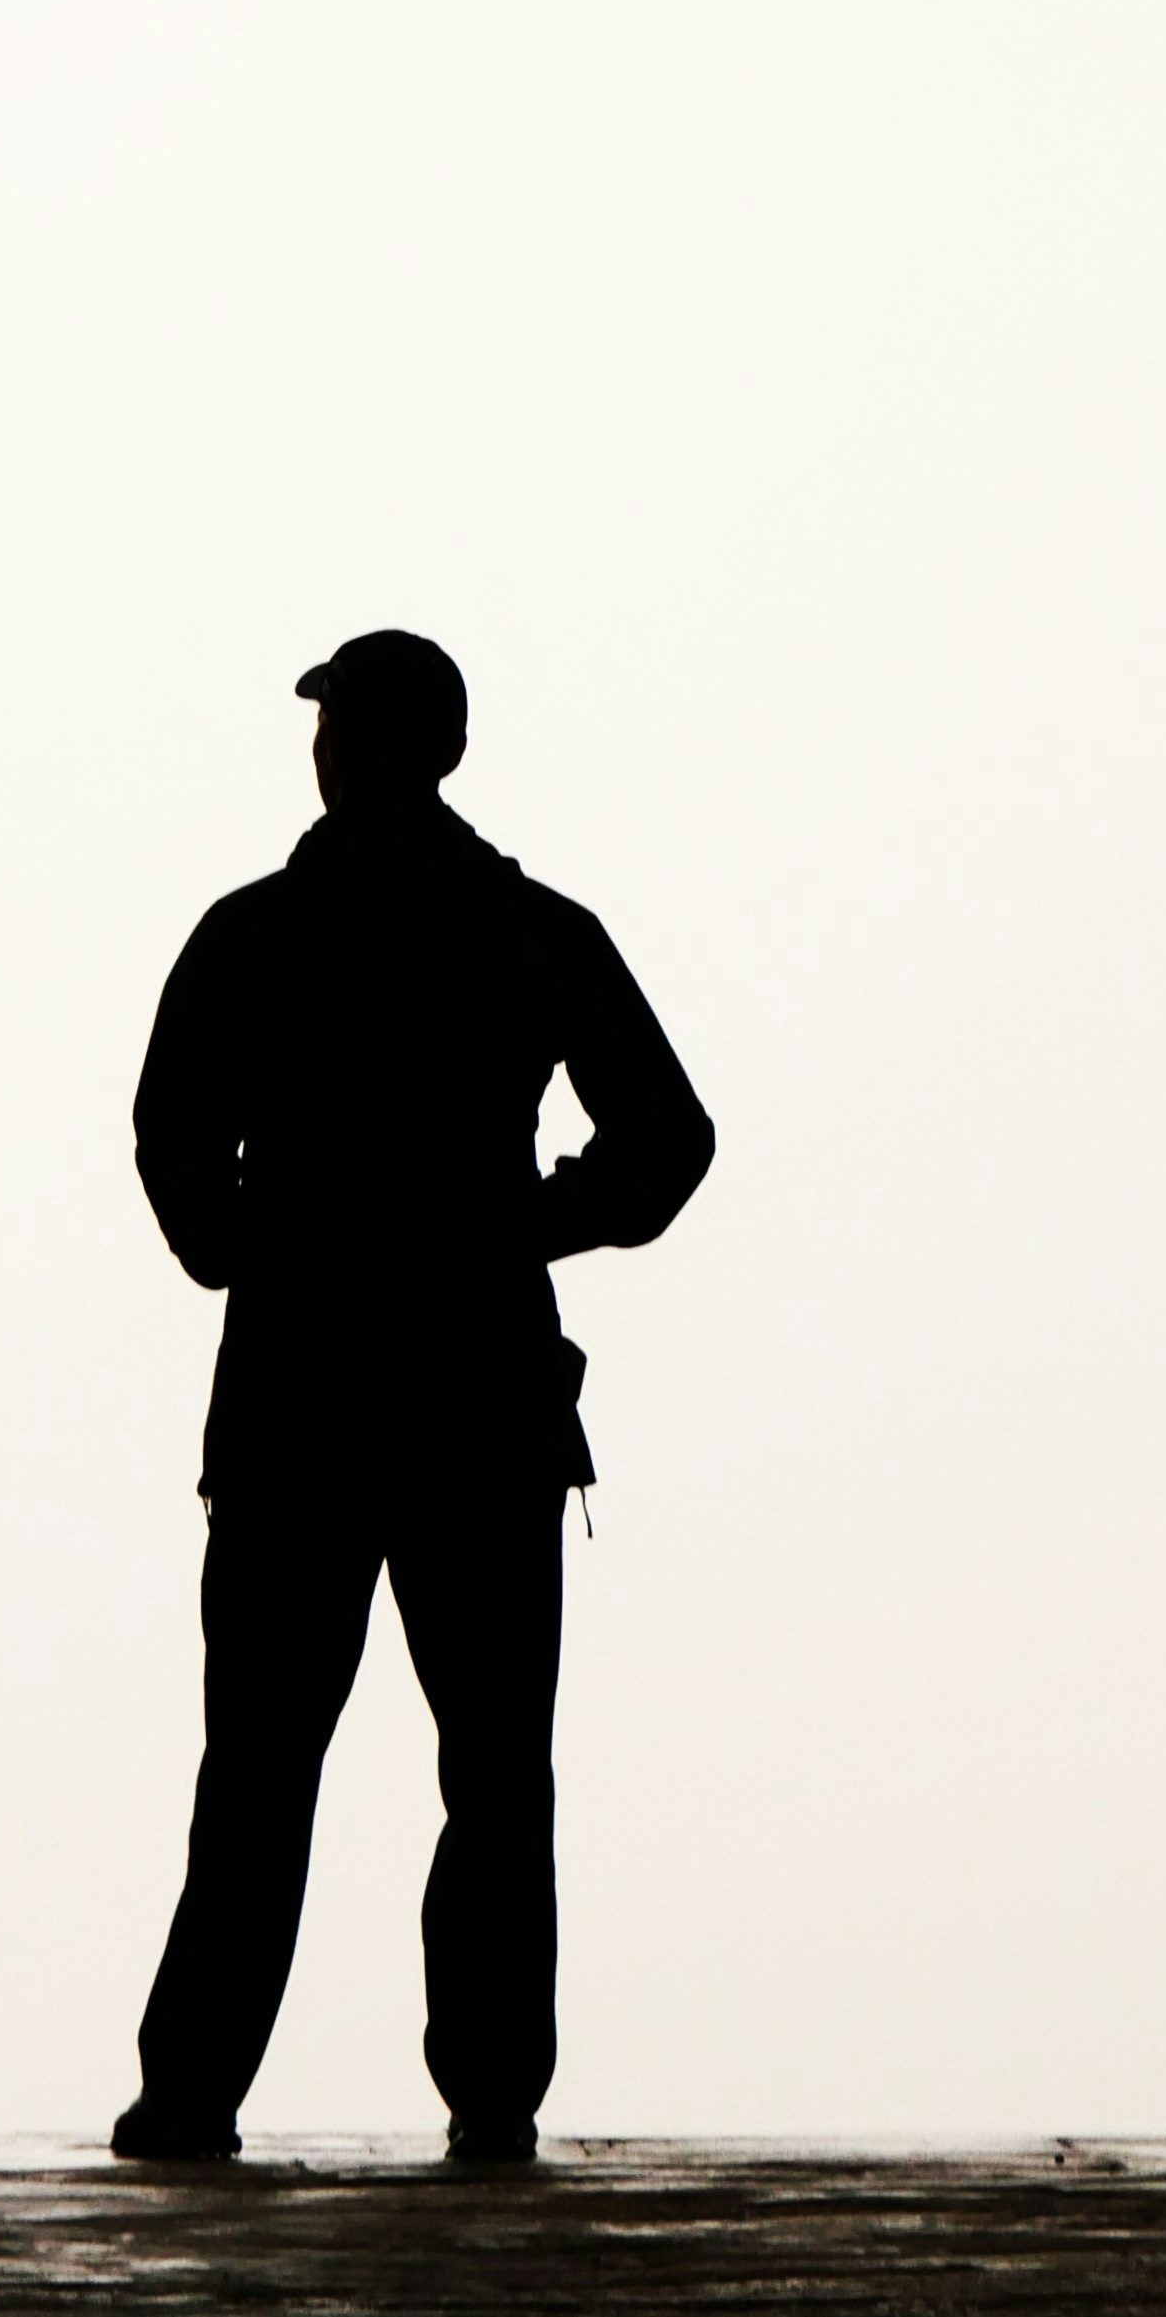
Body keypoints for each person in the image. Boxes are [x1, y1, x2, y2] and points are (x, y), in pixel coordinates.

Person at [112, 625, 714, 2170]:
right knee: (491, 1771)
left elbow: (172, 1133)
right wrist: (526, 1221)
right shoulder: (524, 934)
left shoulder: (262, 936)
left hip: (311, 1405)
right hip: (475, 1401)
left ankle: (194, 2092)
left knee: (263, 1767)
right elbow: (666, 1140)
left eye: (337, 725)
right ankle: (493, 2096)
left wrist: (245, 1246)